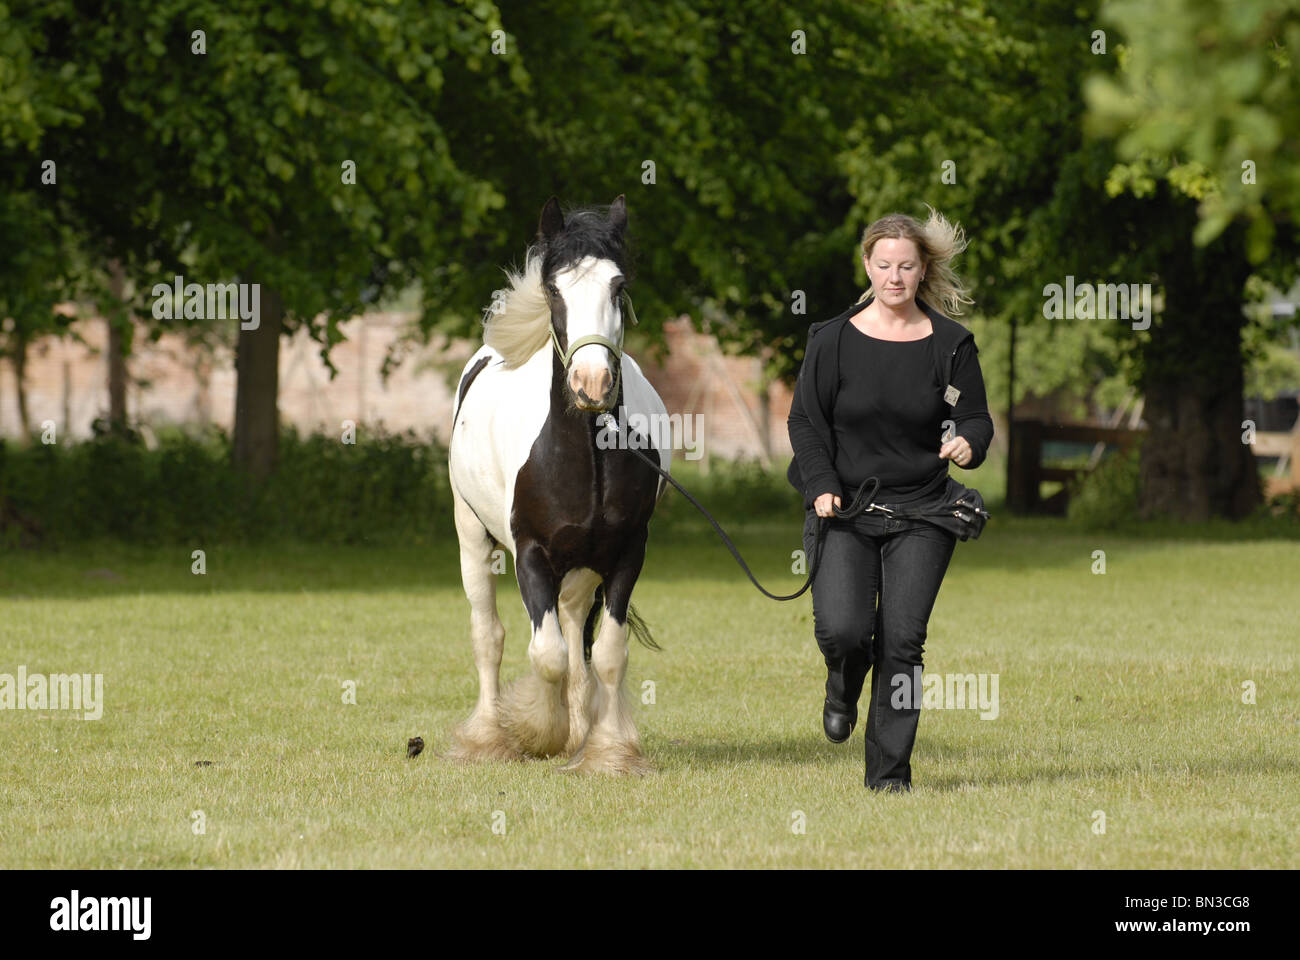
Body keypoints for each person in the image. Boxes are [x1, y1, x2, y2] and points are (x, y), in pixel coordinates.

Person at [786, 206, 993, 792]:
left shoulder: (950, 346)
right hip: (844, 508)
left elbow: (974, 418)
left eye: (906, 266)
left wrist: (967, 446)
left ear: (922, 268)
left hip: (924, 511)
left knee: (902, 640)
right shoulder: (832, 340)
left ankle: (890, 778)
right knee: (846, 631)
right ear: (868, 265)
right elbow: (806, 422)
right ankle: (841, 683)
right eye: (884, 265)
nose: (894, 277)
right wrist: (822, 484)